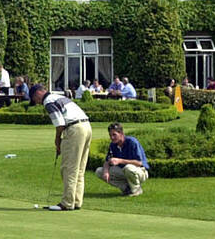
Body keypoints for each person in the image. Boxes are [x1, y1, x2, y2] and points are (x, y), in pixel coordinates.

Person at [31, 83, 91, 212]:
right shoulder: (57, 96)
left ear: (38, 93)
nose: (36, 102)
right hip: (87, 127)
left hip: (74, 129)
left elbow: (60, 124)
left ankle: (67, 203)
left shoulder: (48, 101)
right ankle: (76, 201)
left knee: (68, 168)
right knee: (79, 168)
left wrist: (57, 140)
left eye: (34, 99)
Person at [96, 122, 149, 197]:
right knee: (99, 171)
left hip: (140, 172)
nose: (112, 137)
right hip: (123, 171)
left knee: (128, 168)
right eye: (110, 135)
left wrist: (120, 161)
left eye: (114, 135)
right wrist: (105, 172)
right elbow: (107, 161)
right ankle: (126, 188)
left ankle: (136, 190)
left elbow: (139, 163)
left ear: (121, 133)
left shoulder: (132, 142)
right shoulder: (113, 145)